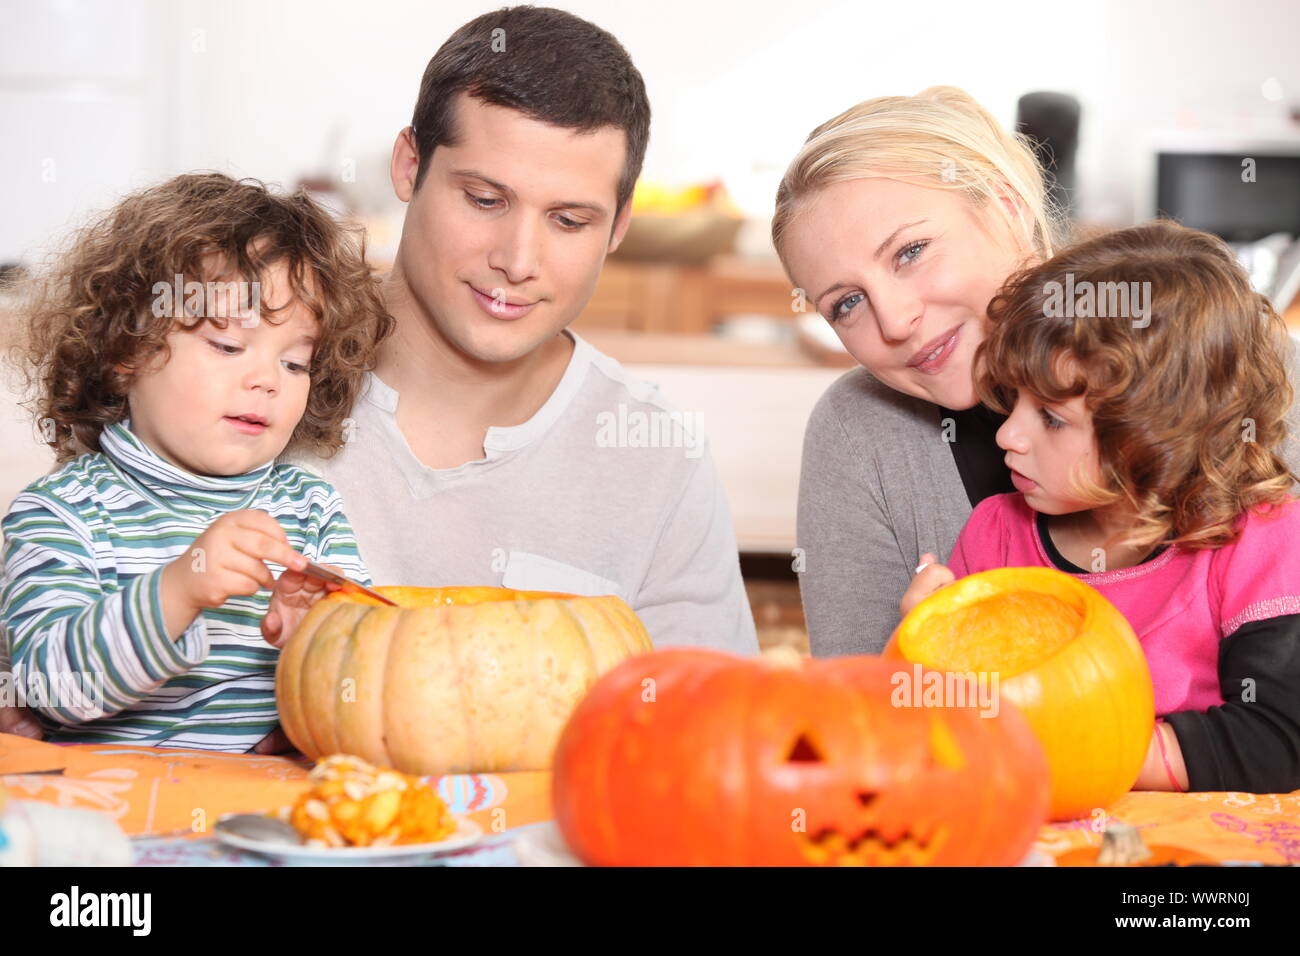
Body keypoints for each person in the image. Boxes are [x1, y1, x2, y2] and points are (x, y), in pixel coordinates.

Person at [279, 6, 758, 654]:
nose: (518, 261)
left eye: (569, 221)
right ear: (408, 165)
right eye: (484, 200)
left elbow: (702, 733)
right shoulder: (253, 379)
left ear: (618, 226)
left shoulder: (659, 464)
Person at [772, 85, 1300, 656]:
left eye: (911, 251)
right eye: (846, 303)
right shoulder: (857, 431)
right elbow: (862, 713)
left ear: (1008, 205)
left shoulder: (1253, 365)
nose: (896, 322)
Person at [899, 221, 1300, 794]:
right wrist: (924, 646)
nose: (1008, 435)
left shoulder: (1262, 539)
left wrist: (1083, 752)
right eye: (1015, 402)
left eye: (1053, 419)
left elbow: (1278, 739)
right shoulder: (995, 534)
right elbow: (944, 735)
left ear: (1159, 435)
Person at [0, 173, 390, 750]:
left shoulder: (311, 509)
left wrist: (318, 647)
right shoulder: (60, 514)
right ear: (126, 353)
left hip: (263, 815)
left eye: (295, 364)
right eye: (229, 346)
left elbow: (371, 671)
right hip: (119, 817)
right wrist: (179, 591)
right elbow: (51, 690)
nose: (265, 381)